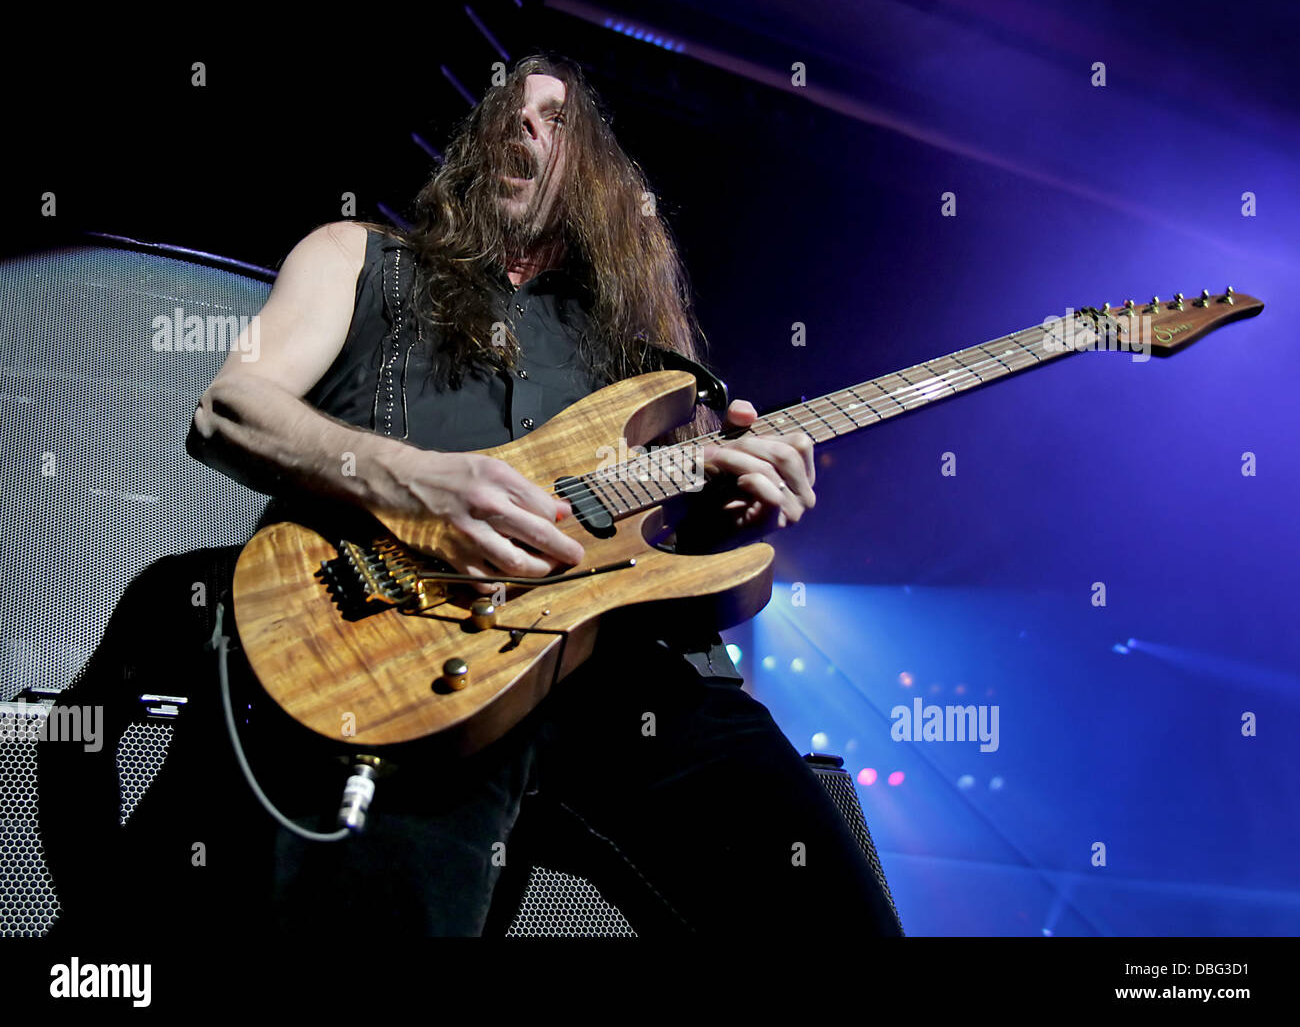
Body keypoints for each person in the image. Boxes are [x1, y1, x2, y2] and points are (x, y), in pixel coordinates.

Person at [43, 54, 904, 938]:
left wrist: (731, 515)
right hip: (393, 645)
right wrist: (416, 481)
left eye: (555, 116)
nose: (520, 122)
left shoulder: (650, 368)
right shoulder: (359, 258)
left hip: (620, 678)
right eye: (504, 106)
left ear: (598, 172)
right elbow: (231, 409)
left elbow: (678, 563)